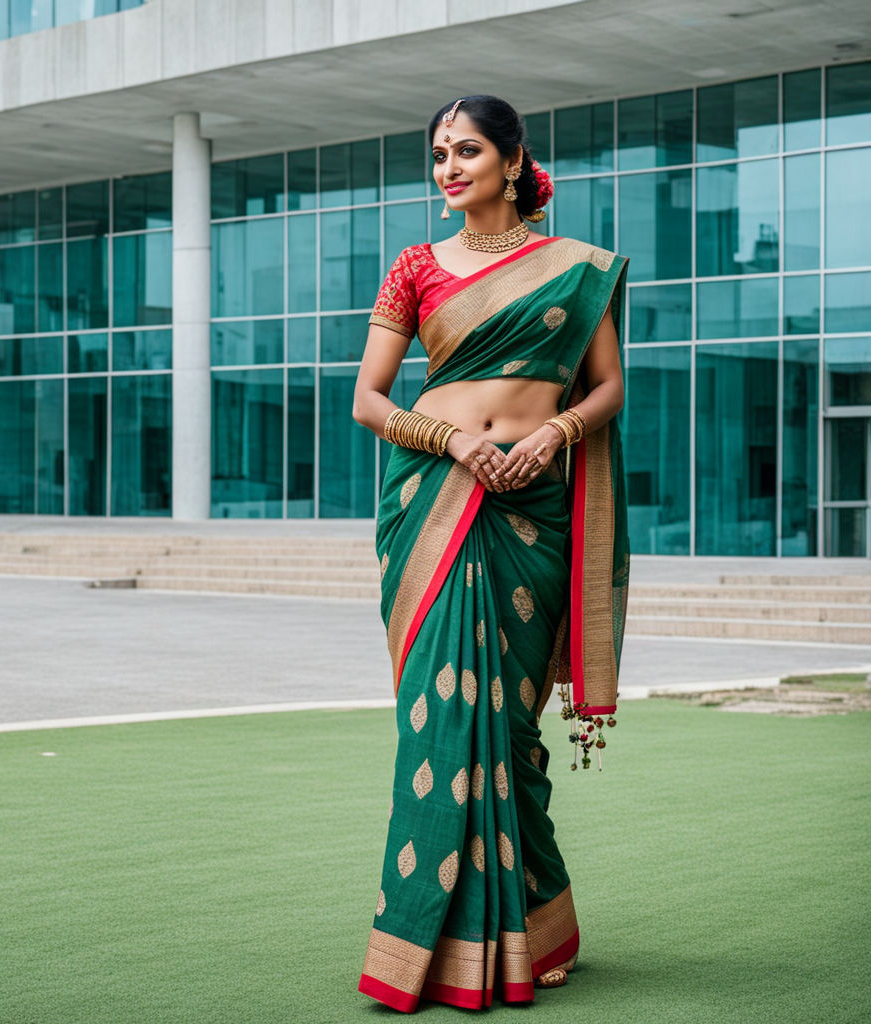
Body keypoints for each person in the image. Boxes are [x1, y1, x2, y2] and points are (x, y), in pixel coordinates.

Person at [352, 95, 630, 1013]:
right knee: (436, 725)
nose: (448, 167)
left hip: (529, 513)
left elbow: (607, 389)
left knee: (509, 730)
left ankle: (537, 924)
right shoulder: (413, 270)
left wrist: (550, 438)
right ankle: (424, 944)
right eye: (438, 154)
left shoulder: (574, 269)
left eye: (466, 150)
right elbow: (370, 400)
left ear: (513, 162)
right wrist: (454, 443)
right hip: (432, 503)